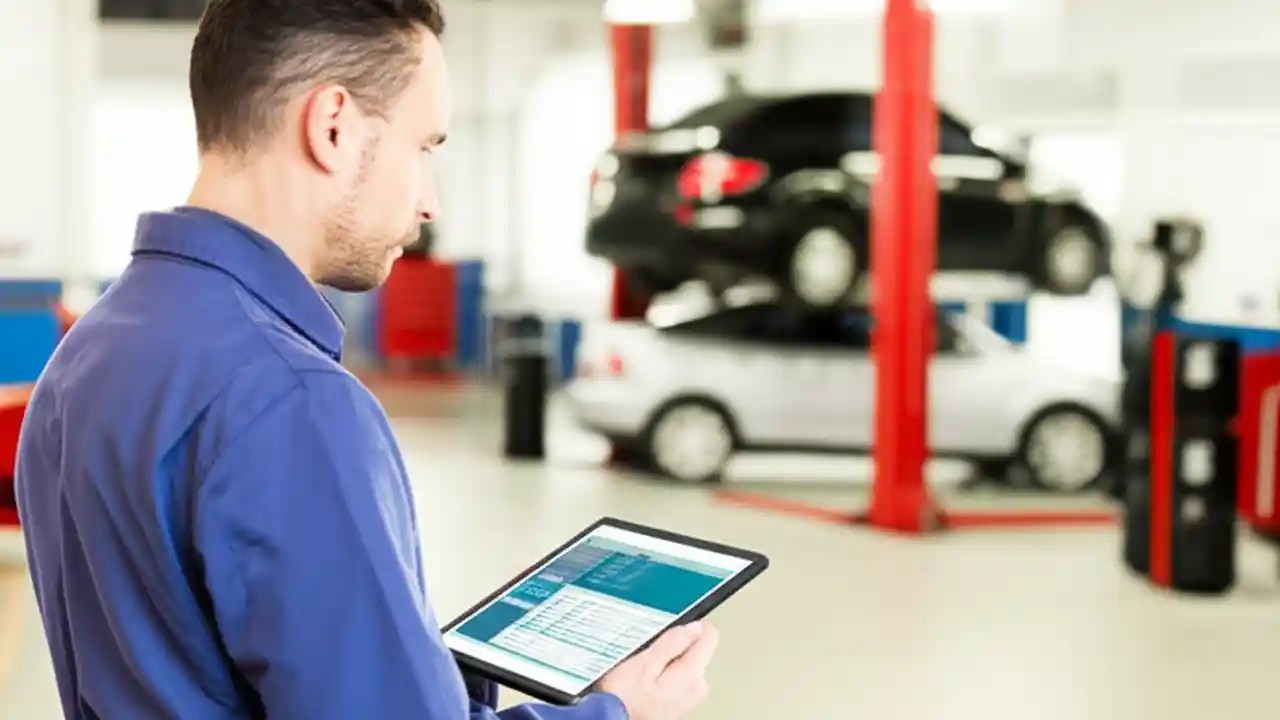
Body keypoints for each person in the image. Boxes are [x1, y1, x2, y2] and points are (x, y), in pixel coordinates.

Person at [15, 1, 719, 718]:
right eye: (424, 148)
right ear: (333, 127)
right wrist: (617, 712)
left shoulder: (87, 354)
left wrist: (407, 652)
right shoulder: (289, 399)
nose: (429, 202)